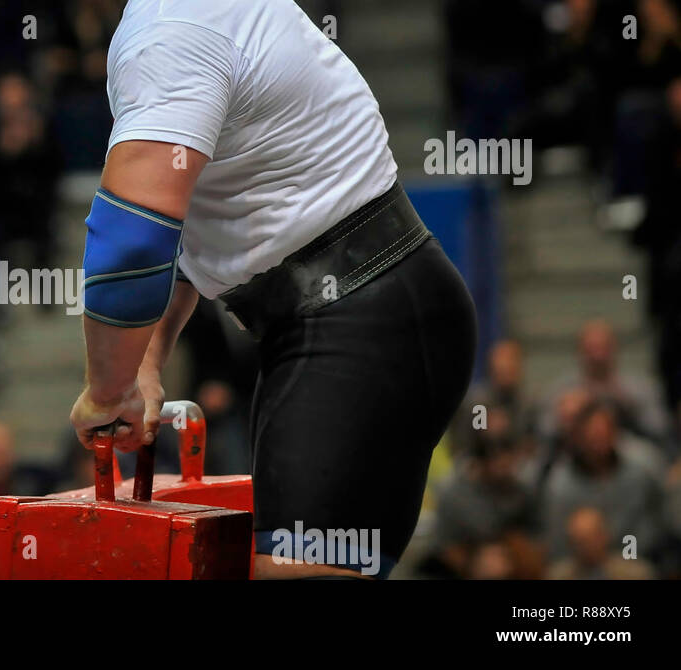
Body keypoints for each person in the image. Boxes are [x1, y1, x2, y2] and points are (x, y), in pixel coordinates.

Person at [68, 0, 477, 579]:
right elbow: (190, 221)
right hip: (375, 310)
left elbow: (131, 245)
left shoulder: (168, 31)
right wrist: (143, 368)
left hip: (355, 322)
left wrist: (107, 392)